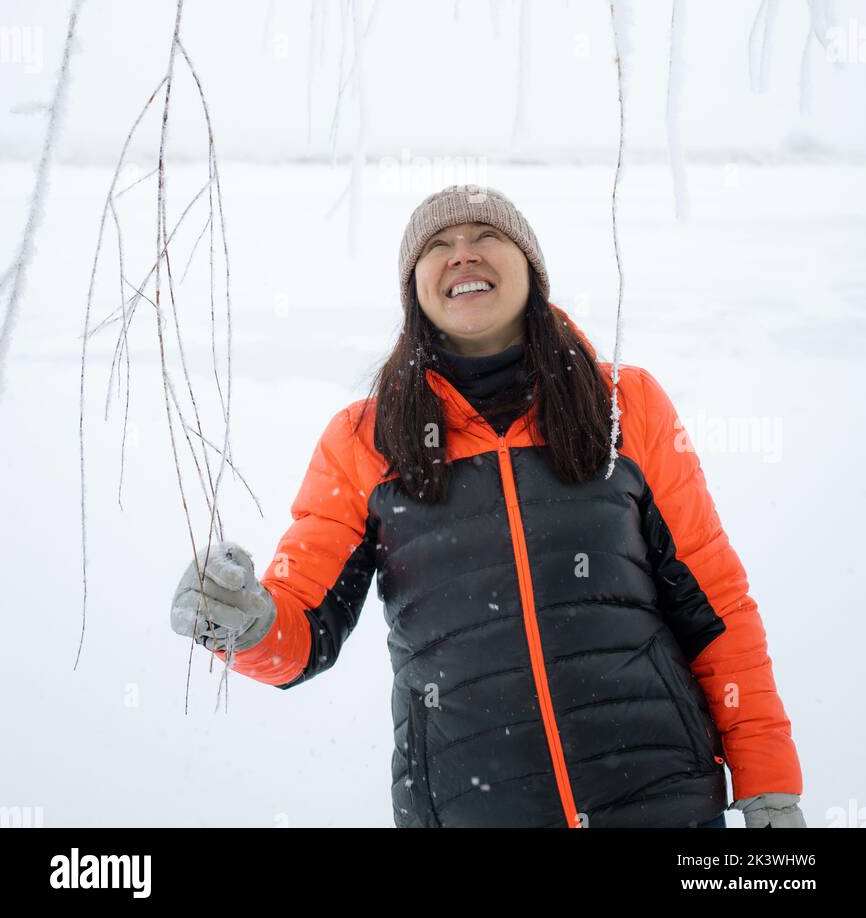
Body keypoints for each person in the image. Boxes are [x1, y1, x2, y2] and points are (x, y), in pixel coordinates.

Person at [171, 183, 806, 830]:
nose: (463, 255)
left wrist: (768, 783)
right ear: (413, 288)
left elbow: (715, 608)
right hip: (468, 808)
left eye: (488, 238)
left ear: (530, 269)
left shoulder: (627, 404)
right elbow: (306, 632)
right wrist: (246, 628)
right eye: (439, 245)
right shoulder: (363, 441)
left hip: (658, 798)